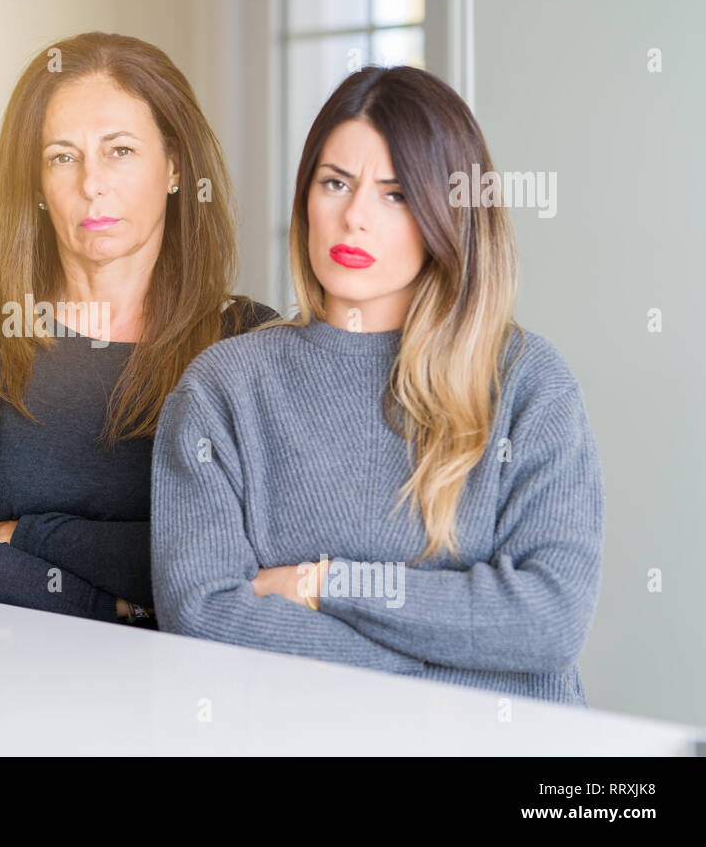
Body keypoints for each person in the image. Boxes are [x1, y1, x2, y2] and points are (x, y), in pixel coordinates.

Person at [151, 65, 604, 705]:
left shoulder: (529, 383)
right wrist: (463, 662)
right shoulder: (225, 390)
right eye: (335, 183)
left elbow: (550, 620)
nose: (354, 217)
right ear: (306, 198)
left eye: (395, 194)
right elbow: (204, 617)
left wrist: (322, 584)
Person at [0, 31, 277, 625]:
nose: (91, 184)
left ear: (175, 167)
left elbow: (250, 558)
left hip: (183, 700)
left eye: (120, 150)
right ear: (36, 183)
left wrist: (32, 535)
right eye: (62, 156)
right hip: (1, 698)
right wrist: (124, 609)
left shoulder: (247, 343)